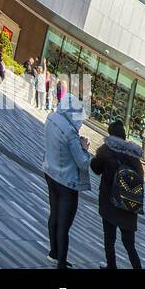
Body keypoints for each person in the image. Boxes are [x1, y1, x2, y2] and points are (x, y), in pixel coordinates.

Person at [88, 118, 144, 270]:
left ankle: (111, 266)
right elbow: (140, 178)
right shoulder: (134, 155)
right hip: (129, 204)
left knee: (109, 239)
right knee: (129, 244)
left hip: (110, 202)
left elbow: (95, 168)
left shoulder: (106, 150)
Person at [44, 93, 91, 269]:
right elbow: (83, 163)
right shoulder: (71, 132)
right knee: (64, 223)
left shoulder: (51, 118)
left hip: (50, 172)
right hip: (67, 182)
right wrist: (84, 148)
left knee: (54, 214)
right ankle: (62, 263)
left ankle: (53, 253)